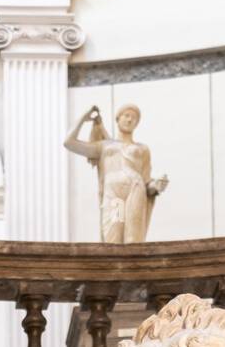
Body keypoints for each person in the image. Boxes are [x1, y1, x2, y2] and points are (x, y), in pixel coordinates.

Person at [65, 103, 168, 244]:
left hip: (135, 191)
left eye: (134, 118)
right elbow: (69, 143)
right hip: (115, 195)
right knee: (113, 236)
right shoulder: (105, 146)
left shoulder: (142, 149)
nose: (130, 120)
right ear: (118, 119)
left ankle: (134, 265)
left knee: (134, 239)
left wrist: (156, 185)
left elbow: (146, 183)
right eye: (126, 116)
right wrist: (84, 117)